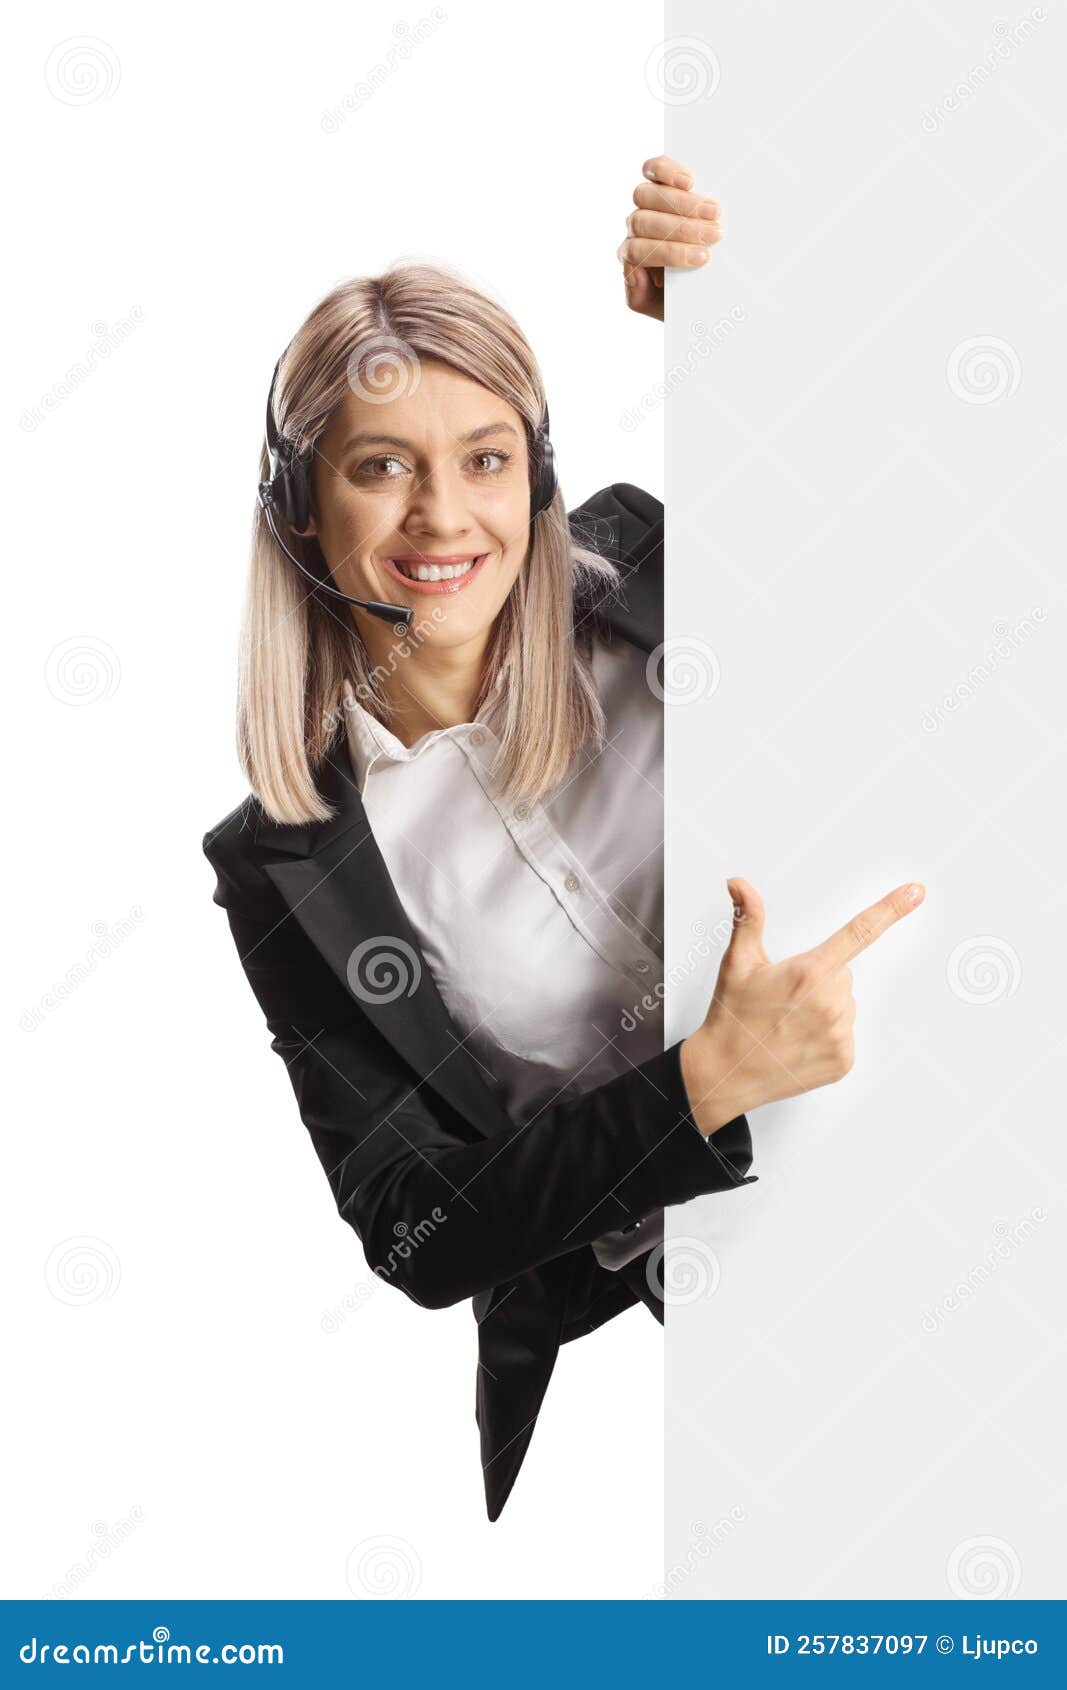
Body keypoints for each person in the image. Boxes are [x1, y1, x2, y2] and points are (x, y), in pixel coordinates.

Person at [202, 155, 924, 1522]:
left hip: (943, 1122)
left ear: (534, 469)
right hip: (712, 1305)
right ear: (304, 508)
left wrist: (737, 326)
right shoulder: (289, 861)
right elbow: (416, 1227)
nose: (443, 517)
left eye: (484, 458)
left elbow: (912, 550)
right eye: (380, 469)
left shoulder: (651, 568)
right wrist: (702, 1081)